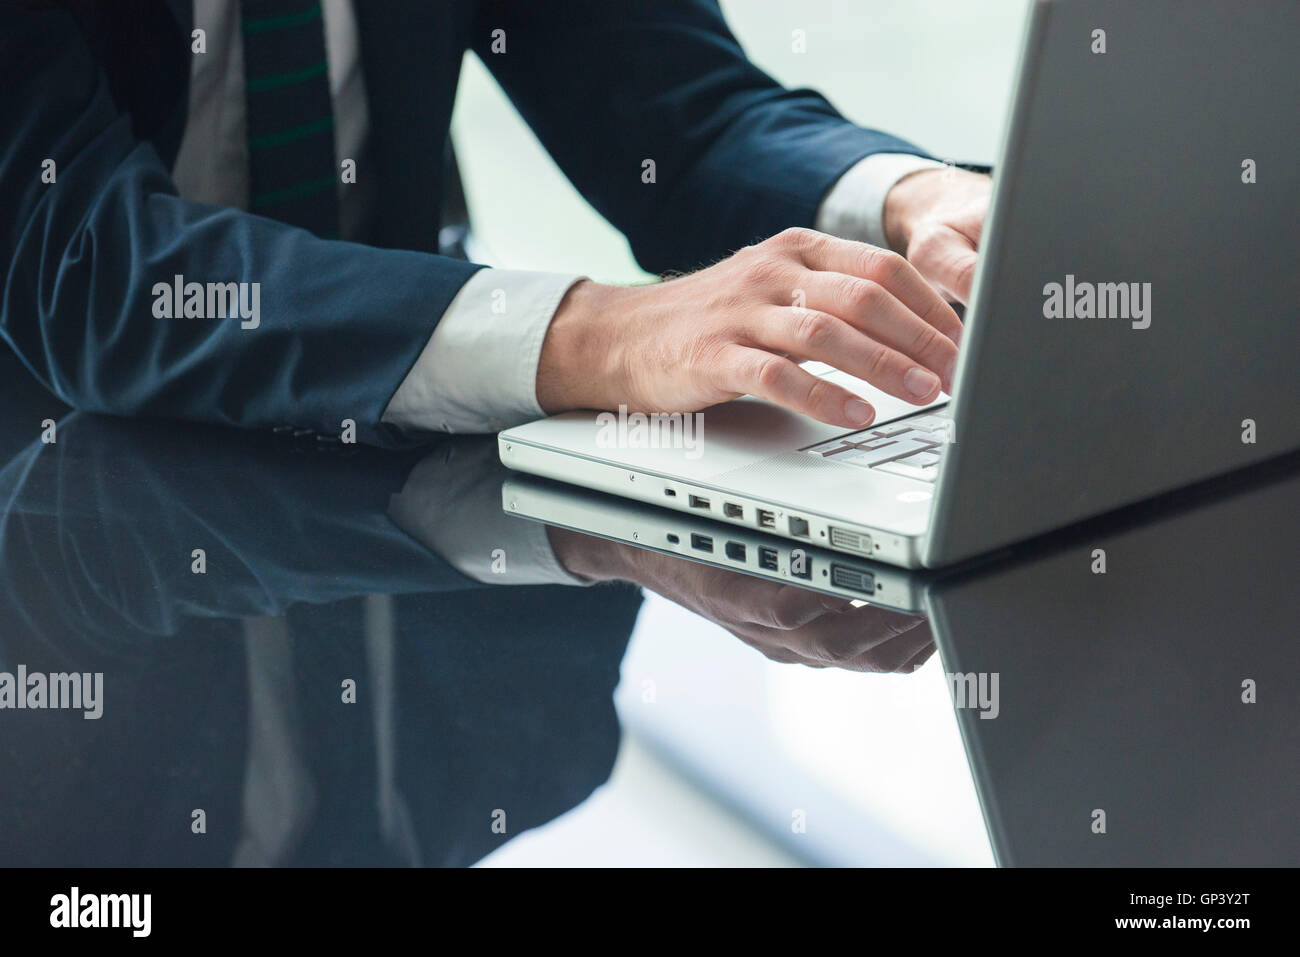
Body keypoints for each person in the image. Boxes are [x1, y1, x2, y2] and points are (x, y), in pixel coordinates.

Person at [2, 0, 990, 445]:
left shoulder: (524, 753)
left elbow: (675, 110)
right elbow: (84, 262)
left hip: (393, 473)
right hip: (56, 509)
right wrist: (592, 335)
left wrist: (910, 200)